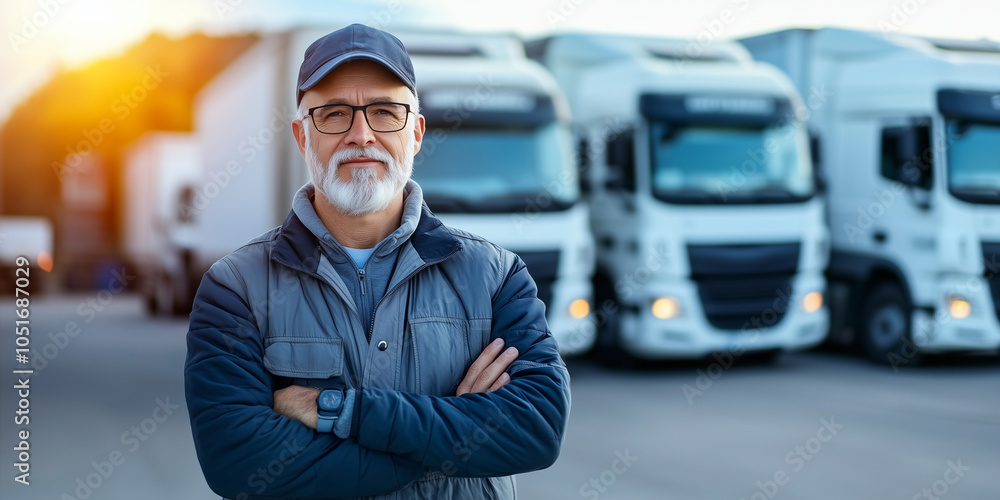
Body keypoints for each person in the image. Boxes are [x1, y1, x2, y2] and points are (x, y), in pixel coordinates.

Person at [184, 23, 571, 499]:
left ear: (417, 134)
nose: (361, 135)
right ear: (303, 138)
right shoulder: (234, 289)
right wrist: (449, 436)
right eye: (334, 114)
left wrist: (340, 411)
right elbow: (239, 464)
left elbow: (536, 429)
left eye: (386, 112)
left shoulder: (496, 277)